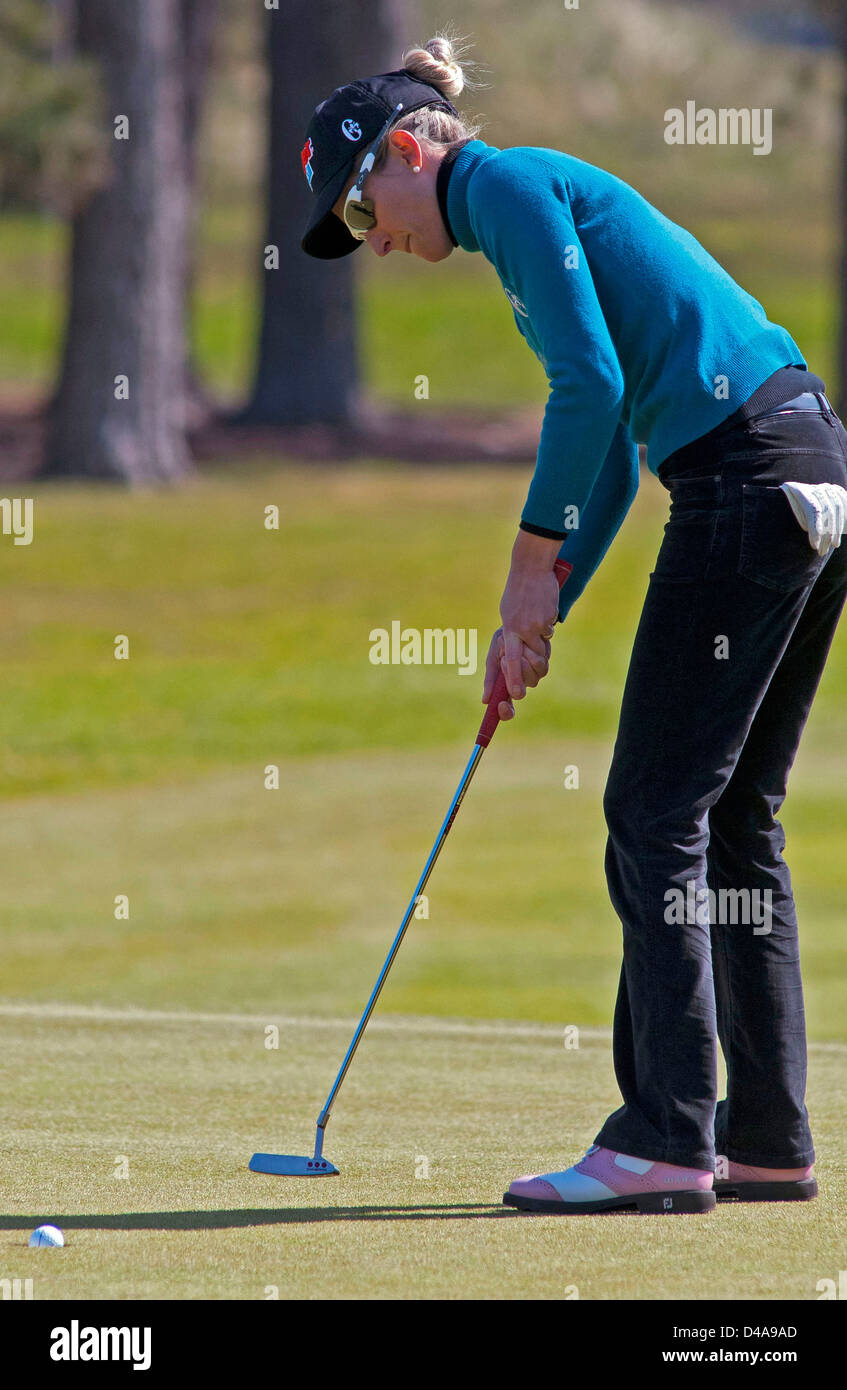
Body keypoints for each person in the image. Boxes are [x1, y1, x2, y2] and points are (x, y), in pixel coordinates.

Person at [299, 34, 847, 1214]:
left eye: (363, 208)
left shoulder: (498, 185)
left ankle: (662, 1135)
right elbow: (604, 448)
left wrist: (519, 572)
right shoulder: (516, 212)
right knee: (730, 813)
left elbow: (589, 391)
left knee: (652, 810)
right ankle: (764, 1136)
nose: (373, 240)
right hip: (803, 459)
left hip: (744, 479)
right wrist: (542, 613)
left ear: (407, 150)